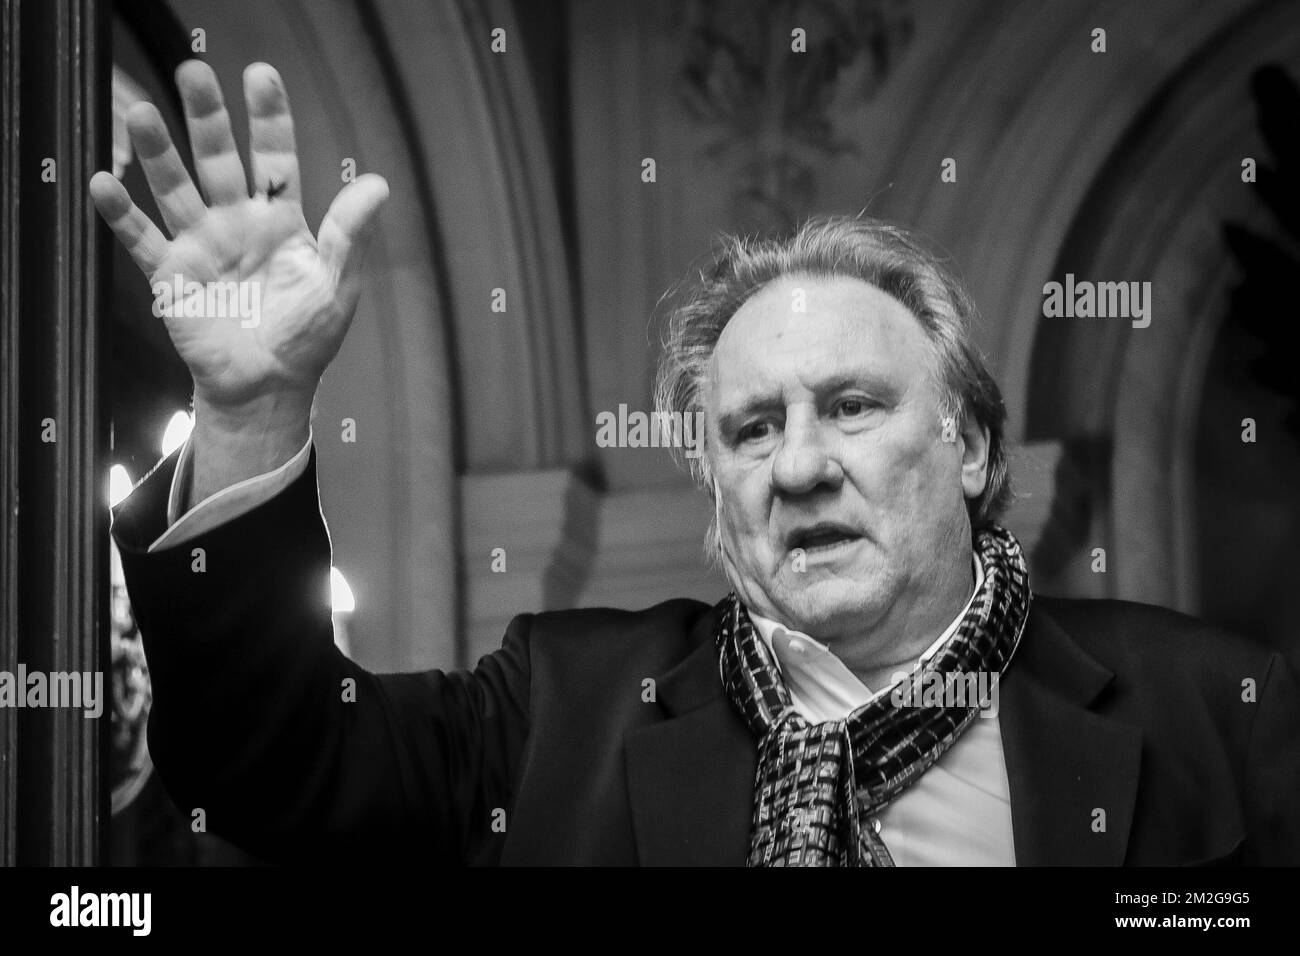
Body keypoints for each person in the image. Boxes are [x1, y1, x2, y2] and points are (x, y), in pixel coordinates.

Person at [97, 61, 1300, 866]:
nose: (801, 465)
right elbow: (272, 765)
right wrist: (251, 410)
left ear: (970, 441)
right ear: (717, 493)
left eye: (852, 405)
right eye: (752, 429)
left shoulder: (1218, 712)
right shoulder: (557, 712)